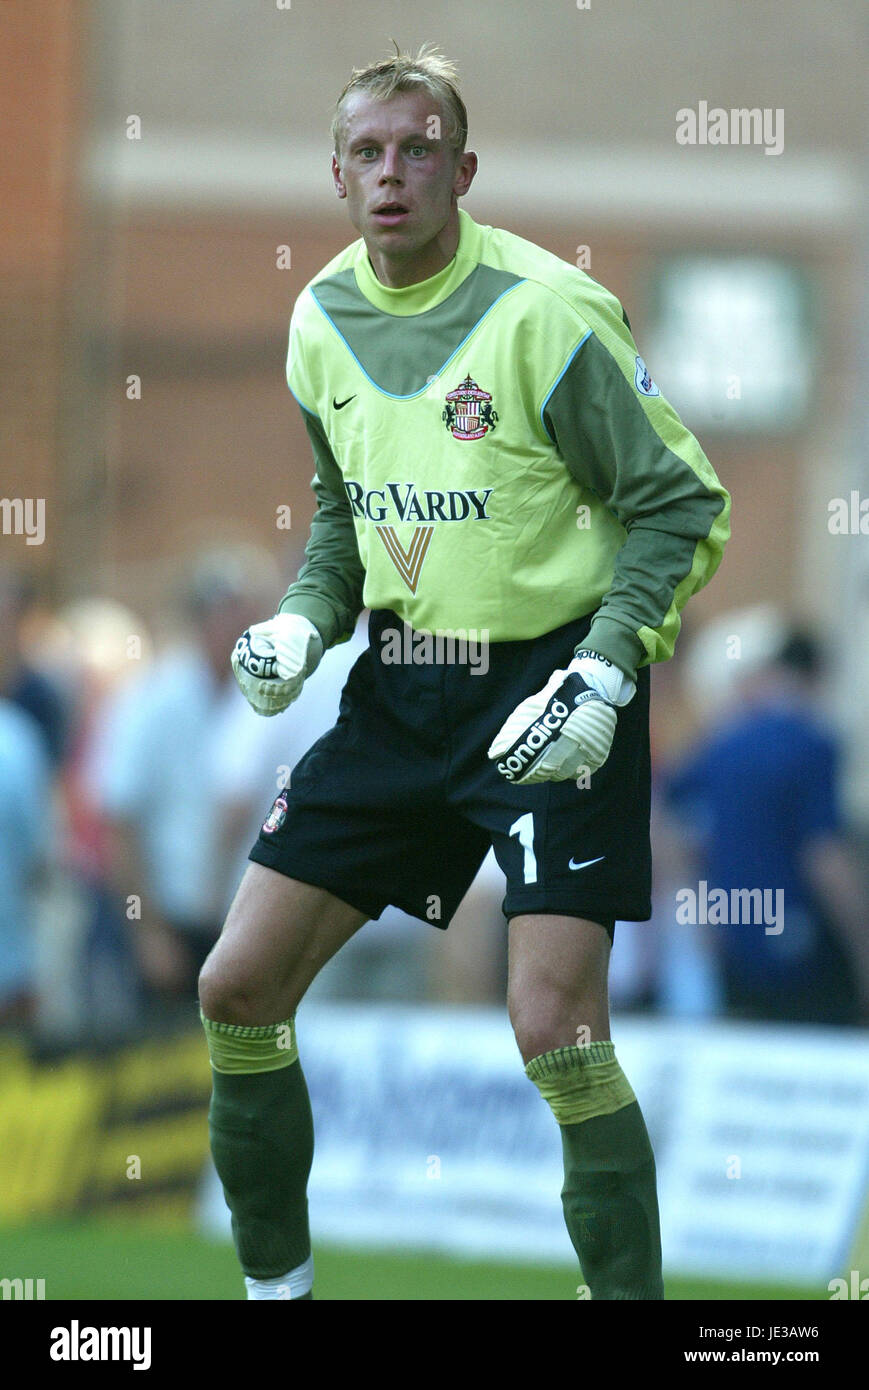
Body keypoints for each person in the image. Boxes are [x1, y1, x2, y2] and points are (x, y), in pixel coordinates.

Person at [198, 44, 730, 1301]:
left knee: (555, 1029)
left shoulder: (547, 312)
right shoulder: (316, 317)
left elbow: (680, 506)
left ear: (463, 169)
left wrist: (604, 670)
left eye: (418, 149)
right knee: (236, 985)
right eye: (369, 153)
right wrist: (305, 620)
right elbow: (345, 515)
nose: (393, 174)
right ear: (336, 175)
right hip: (398, 690)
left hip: (553, 687)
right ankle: (276, 1295)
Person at [662, 625, 869, 1026]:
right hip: (802, 941)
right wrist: (862, 942)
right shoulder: (811, 743)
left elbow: (665, 818)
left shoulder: (717, 744)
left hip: (734, 936)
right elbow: (825, 855)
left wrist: (695, 903)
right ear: (814, 675)